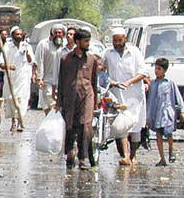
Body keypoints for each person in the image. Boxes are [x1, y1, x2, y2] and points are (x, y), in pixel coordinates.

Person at [57, 28, 102, 170]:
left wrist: (95, 100)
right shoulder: (66, 59)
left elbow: (94, 81)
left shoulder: (92, 59)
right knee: (70, 126)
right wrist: (59, 102)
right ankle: (70, 154)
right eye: (85, 41)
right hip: (70, 98)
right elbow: (61, 81)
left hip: (87, 96)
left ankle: (83, 158)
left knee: (85, 126)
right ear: (77, 42)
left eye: (89, 41)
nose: (88, 44)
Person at [103, 26, 148, 165]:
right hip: (116, 95)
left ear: (125, 40)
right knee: (119, 126)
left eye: (119, 40)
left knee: (135, 127)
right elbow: (101, 69)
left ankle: (132, 155)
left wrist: (129, 82)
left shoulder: (135, 52)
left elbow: (142, 73)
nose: (116, 43)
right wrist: (109, 81)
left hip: (134, 96)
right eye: (114, 40)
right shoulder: (108, 53)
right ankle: (125, 155)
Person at [145, 58, 183, 166]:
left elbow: (178, 98)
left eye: (159, 69)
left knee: (168, 134)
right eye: (155, 68)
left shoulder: (170, 84)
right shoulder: (152, 84)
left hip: (167, 113)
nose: (156, 71)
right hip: (156, 114)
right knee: (158, 135)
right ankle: (162, 158)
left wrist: (181, 110)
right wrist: (147, 116)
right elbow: (150, 101)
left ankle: (171, 151)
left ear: (164, 70)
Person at [0, 25, 34, 131]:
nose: (19, 36)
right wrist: (8, 67)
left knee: (22, 100)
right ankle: (13, 122)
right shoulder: (7, 47)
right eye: (17, 34)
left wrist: (28, 54)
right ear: (12, 35)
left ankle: (20, 122)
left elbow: (31, 61)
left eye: (20, 34)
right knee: (11, 100)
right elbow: (1, 64)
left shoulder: (27, 46)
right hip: (11, 79)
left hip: (23, 78)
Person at [35, 23, 66, 111]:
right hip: (48, 80)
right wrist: (39, 78)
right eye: (56, 33)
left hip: (62, 81)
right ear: (52, 34)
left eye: (60, 33)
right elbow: (39, 61)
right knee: (50, 104)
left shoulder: (65, 47)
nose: (58, 35)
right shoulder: (44, 44)